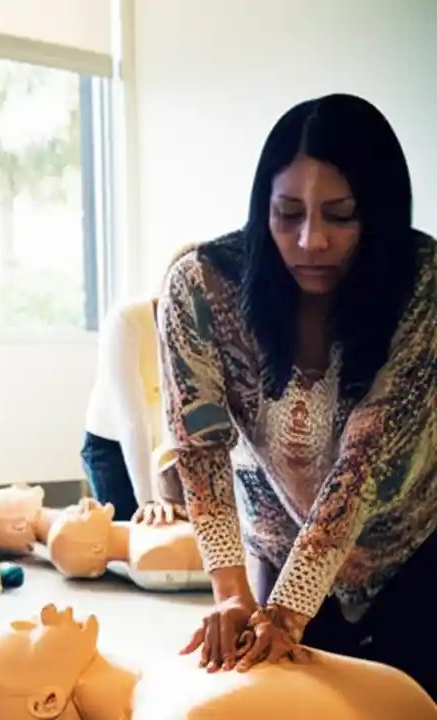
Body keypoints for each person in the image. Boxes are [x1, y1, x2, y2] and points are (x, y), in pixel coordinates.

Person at [160, 94, 436, 694]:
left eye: (341, 215)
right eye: (287, 214)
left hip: (413, 549)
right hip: (280, 548)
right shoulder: (202, 287)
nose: (311, 241)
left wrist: (287, 612)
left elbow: (368, 461)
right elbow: (200, 449)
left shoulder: (424, 284)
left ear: (381, 215)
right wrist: (233, 595)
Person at [82, 245, 196, 526]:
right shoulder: (127, 322)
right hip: (112, 445)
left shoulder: (199, 329)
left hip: (163, 447)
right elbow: (132, 421)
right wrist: (148, 501)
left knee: (172, 534)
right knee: (128, 536)